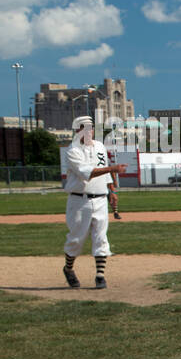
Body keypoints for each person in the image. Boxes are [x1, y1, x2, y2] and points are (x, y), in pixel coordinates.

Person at [62, 115, 125, 289]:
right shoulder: (72, 150)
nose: (89, 132)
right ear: (77, 130)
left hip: (100, 199)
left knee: (101, 238)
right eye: (84, 128)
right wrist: (113, 169)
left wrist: (111, 190)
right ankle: (68, 269)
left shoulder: (99, 146)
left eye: (90, 128)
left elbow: (104, 171)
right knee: (76, 239)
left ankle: (100, 276)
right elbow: (86, 172)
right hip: (79, 201)